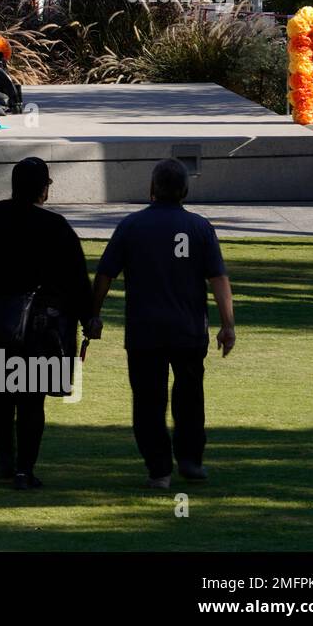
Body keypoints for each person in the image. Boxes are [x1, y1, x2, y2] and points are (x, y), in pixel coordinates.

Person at [0, 158, 94, 490]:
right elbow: (78, 281)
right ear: (42, 188)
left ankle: (5, 460)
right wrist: (89, 318)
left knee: (3, 391)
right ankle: (25, 470)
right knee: (31, 399)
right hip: (41, 327)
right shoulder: (55, 226)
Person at [88, 158, 236, 489]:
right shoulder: (200, 227)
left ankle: (159, 470)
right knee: (190, 397)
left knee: (148, 402)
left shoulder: (131, 226)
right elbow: (218, 279)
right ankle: (190, 460)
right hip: (188, 330)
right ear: (185, 190)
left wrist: (93, 314)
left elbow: (105, 275)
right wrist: (227, 324)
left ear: (152, 188)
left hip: (145, 331)